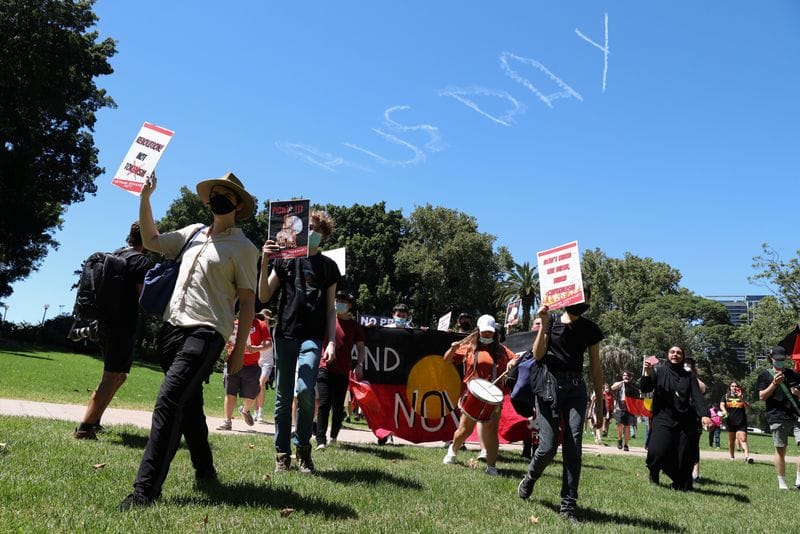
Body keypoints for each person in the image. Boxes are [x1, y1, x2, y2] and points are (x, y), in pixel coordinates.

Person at [119, 172, 259, 510]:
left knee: (169, 400)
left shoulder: (244, 248)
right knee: (189, 402)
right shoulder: (192, 233)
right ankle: (205, 469)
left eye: (227, 194)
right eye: (216, 193)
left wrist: (237, 352)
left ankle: (144, 492)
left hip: (207, 331)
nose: (219, 198)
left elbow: (249, 304)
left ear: (238, 205)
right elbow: (151, 240)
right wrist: (145, 198)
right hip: (172, 328)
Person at [259, 210, 340, 473]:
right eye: (308, 227)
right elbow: (263, 295)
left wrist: (331, 343)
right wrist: (265, 260)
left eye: (316, 228)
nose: (311, 231)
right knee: (283, 397)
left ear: (323, 235)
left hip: (313, 337)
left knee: (306, 391)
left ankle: (303, 447)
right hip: (285, 334)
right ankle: (282, 453)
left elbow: (330, 309)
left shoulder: (329, 267)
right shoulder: (284, 260)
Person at [517, 294, 604, 525]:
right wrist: (544, 323)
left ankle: (568, 506)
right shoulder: (552, 321)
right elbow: (537, 355)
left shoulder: (590, 330)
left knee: (574, 446)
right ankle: (530, 477)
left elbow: (595, 368)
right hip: (548, 387)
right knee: (547, 447)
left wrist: (601, 406)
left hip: (576, 388)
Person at [74, 222, 153, 440]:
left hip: (104, 322)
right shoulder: (140, 261)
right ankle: (85, 427)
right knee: (113, 375)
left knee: (118, 375)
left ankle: (94, 419)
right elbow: (143, 296)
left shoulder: (117, 254)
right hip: (121, 324)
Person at [442, 314, 518, 476]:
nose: (487, 335)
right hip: (472, 393)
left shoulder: (501, 350)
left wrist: (513, 362)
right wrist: (453, 348)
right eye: (484, 332)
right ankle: (453, 451)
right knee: (464, 430)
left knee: (491, 430)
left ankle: (491, 466)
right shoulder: (469, 347)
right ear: (478, 331)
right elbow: (447, 360)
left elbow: (516, 358)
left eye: (490, 332)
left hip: (494, 396)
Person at [640, 346, 711, 491]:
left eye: (679, 353)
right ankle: (654, 472)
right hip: (662, 417)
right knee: (657, 451)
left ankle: (679, 481)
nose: (675, 355)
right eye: (672, 352)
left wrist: (704, 415)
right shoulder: (659, 371)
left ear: (683, 357)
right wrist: (647, 372)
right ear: (668, 355)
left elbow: (697, 396)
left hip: (684, 420)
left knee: (684, 455)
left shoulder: (688, 375)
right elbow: (645, 388)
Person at [315, 290, 365, 449]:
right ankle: (320, 440)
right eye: (337, 300)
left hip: (343, 372)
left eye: (342, 301)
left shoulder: (354, 326)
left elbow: (361, 348)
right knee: (324, 403)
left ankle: (333, 437)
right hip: (324, 368)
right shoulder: (327, 319)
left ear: (349, 305)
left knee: (338, 407)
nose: (338, 303)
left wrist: (359, 365)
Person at [756, 346, 800, 490]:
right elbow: (762, 396)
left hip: (796, 415)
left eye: (782, 359)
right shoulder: (765, 375)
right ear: (771, 359)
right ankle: (782, 483)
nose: (780, 361)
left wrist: (798, 394)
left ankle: (799, 480)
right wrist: (774, 384)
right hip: (777, 416)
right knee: (781, 449)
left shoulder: (793, 374)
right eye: (777, 359)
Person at [217, 316, 271, 431]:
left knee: (250, 395)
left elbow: (268, 343)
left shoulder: (260, 325)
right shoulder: (234, 323)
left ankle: (245, 410)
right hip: (233, 362)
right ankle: (227, 421)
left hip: (251, 365)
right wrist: (226, 344)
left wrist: (257, 348)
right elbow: (225, 339)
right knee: (230, 392)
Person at [720, 380, 754, 463]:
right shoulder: (725, 396)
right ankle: (732, 457)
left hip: (741, 421)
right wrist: (724, 410)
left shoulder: (741, 396)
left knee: (743, 439)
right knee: (731, 440)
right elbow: (721, 405)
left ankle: (747, 457)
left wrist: (741, 398)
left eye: (736, 386)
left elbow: (748, 407)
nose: (734, 387)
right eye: (732, 386)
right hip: (730, 421)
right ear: (729, 387)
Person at [254, 309, 275, 423]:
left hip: (268, 363)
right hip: (256, 361)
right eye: (260, 318)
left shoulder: (273, 332)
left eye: (264, 318)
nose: (261, 320)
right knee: (255, 385)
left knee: (261, 383)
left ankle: (261, 413)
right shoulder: (256, 330)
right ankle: (255, 412)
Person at [611, 371, 637, 451]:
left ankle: (626, 445)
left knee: (627, 426)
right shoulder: (620, 384)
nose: (625, 377)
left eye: (627, 375)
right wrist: (622, 382)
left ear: (630, 377)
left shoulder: (632, 385)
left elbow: (637, 395)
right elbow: (612, 387)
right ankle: (619, 440)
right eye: (624, 375)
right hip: (620, 406)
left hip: (629, 407)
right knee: (619, 425)